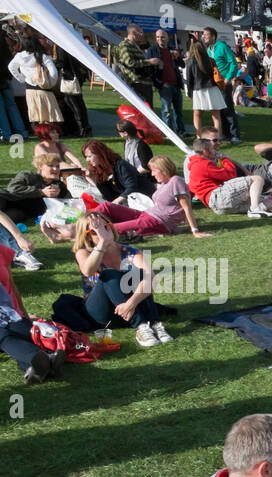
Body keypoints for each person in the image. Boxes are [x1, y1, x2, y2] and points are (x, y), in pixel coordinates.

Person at [0, 212, 62, 384]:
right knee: (1, 335)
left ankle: (34, 369)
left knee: (22, 333)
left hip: (7, 313)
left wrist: (24, 315)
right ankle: (45, 360)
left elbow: (12, 287)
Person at [70, 212, 169, 347]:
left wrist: (131, 303)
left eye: (106, 227)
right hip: (101, 313)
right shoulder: (83, 252)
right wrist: (103, 243)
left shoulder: (130, 251)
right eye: (95, 231)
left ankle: (154, 324)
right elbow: (88, 271)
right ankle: (140, 326)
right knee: (109, 274)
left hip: (128, 310)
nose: (102, 232)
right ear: (86, 236)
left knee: (141, 274)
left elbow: (151, 280)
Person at [75, 154, 207, 242]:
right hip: (146, 215)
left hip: (158, 222)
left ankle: (75, 233)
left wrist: (194, 231)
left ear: (163, 169)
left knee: (111, 228)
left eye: (155, 171)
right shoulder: (163, 183)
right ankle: (79, 225)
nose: (153, 174)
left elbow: (187, 207)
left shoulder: (176, 181)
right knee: (106, 207)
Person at [186, 130, 272, 219]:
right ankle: (254, 209)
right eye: (213, 149)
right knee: (257, 179)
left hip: (223, 202)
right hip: (236, 185)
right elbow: (256, 149)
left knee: (267, 202)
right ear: (205, 151)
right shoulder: (203, 164)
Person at [8, 34, 62, 131]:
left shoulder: (19, 56)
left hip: (30, 90)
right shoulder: (43, 56)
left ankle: (40, 134)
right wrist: (51, 83)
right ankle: (48, 134)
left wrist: (22, 79)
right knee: (48, 116)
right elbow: (54, 72)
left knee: (36, 116)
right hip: (44, 89)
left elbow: (11, 67)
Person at [79, 139, 155, 204]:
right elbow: (107, 196)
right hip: (126, 203)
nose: (87, 160)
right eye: (86, 157)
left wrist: (116, 202)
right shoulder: (98, 171)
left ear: (100, 154)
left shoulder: (121, 165)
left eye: (89, 156)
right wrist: (91, 177)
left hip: (143, 200)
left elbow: (132, 187)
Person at [202, 28, 241, 143]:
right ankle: (225, 133)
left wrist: (228, 78)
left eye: (206, 35)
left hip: (224, 82)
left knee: (228, 108)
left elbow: (233, 63)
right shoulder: (209, 49)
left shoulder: (222, 46)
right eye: (203, 35)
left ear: (213, 36)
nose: (204, 37)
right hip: (215, 83)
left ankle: (235, 135)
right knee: (219, 109)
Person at [183, 39, 225, 137]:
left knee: (197, 115)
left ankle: (199, 138)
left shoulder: (190, 61)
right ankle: (217, 138)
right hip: (213, 89)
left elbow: (189, 80)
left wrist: (189, 93)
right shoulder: (210, 60)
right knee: (216, 116)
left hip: (199, 90)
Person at [147, 29, 183, 135]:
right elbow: (149, 68)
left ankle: (181, 131)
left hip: (176, 84)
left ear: (167, 38)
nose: (160, 39)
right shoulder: (152, 50)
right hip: (164, 85)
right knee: (166, 111)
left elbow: (182, 64)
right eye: (158, 37)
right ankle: (169, 133)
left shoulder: (171, 50)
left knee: (178, 111)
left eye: (162, 37)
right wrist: (157, 82)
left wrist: (177, 56)